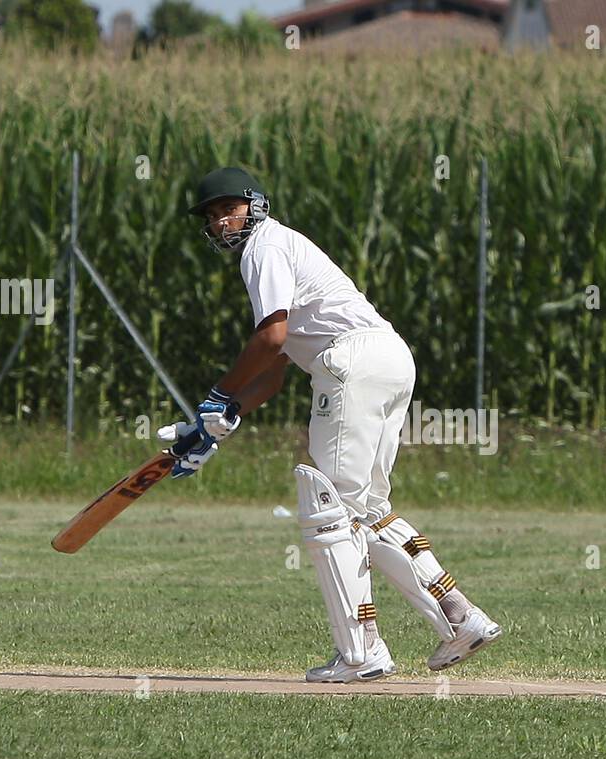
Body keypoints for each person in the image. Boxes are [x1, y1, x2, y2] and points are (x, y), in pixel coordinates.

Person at [159, 167, 502, 683]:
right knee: (368, 509)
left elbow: (271, 340)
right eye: (211, 215)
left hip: (351, 363)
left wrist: (218, 395)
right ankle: (459, 616)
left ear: (255, 205)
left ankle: (360, 653)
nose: (220, 221)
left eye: (227, 208)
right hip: (389, 359)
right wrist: (217, 422)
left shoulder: (264, 249)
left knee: (330, 508)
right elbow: (272, 375)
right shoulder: (282, 248)